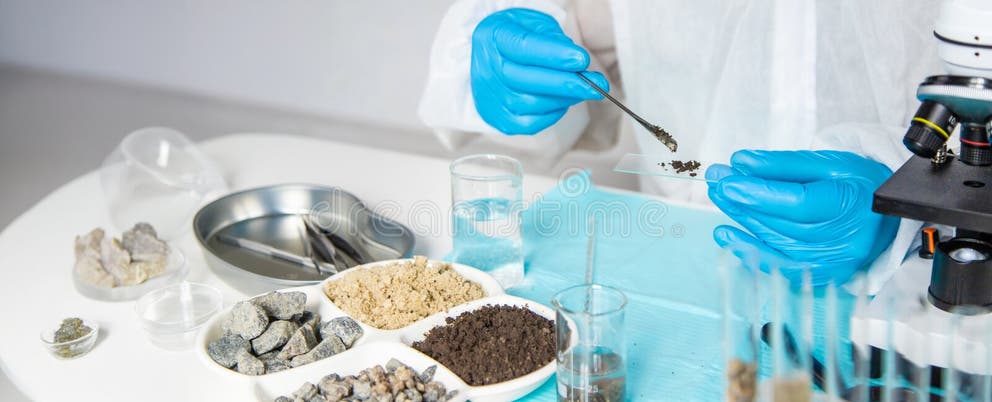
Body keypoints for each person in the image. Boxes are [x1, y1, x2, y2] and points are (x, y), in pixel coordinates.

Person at [418, 0, 941, 290]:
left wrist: (906, 200)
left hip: (917, 285)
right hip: (678, 261)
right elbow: (584, 24)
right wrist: (525, 45)